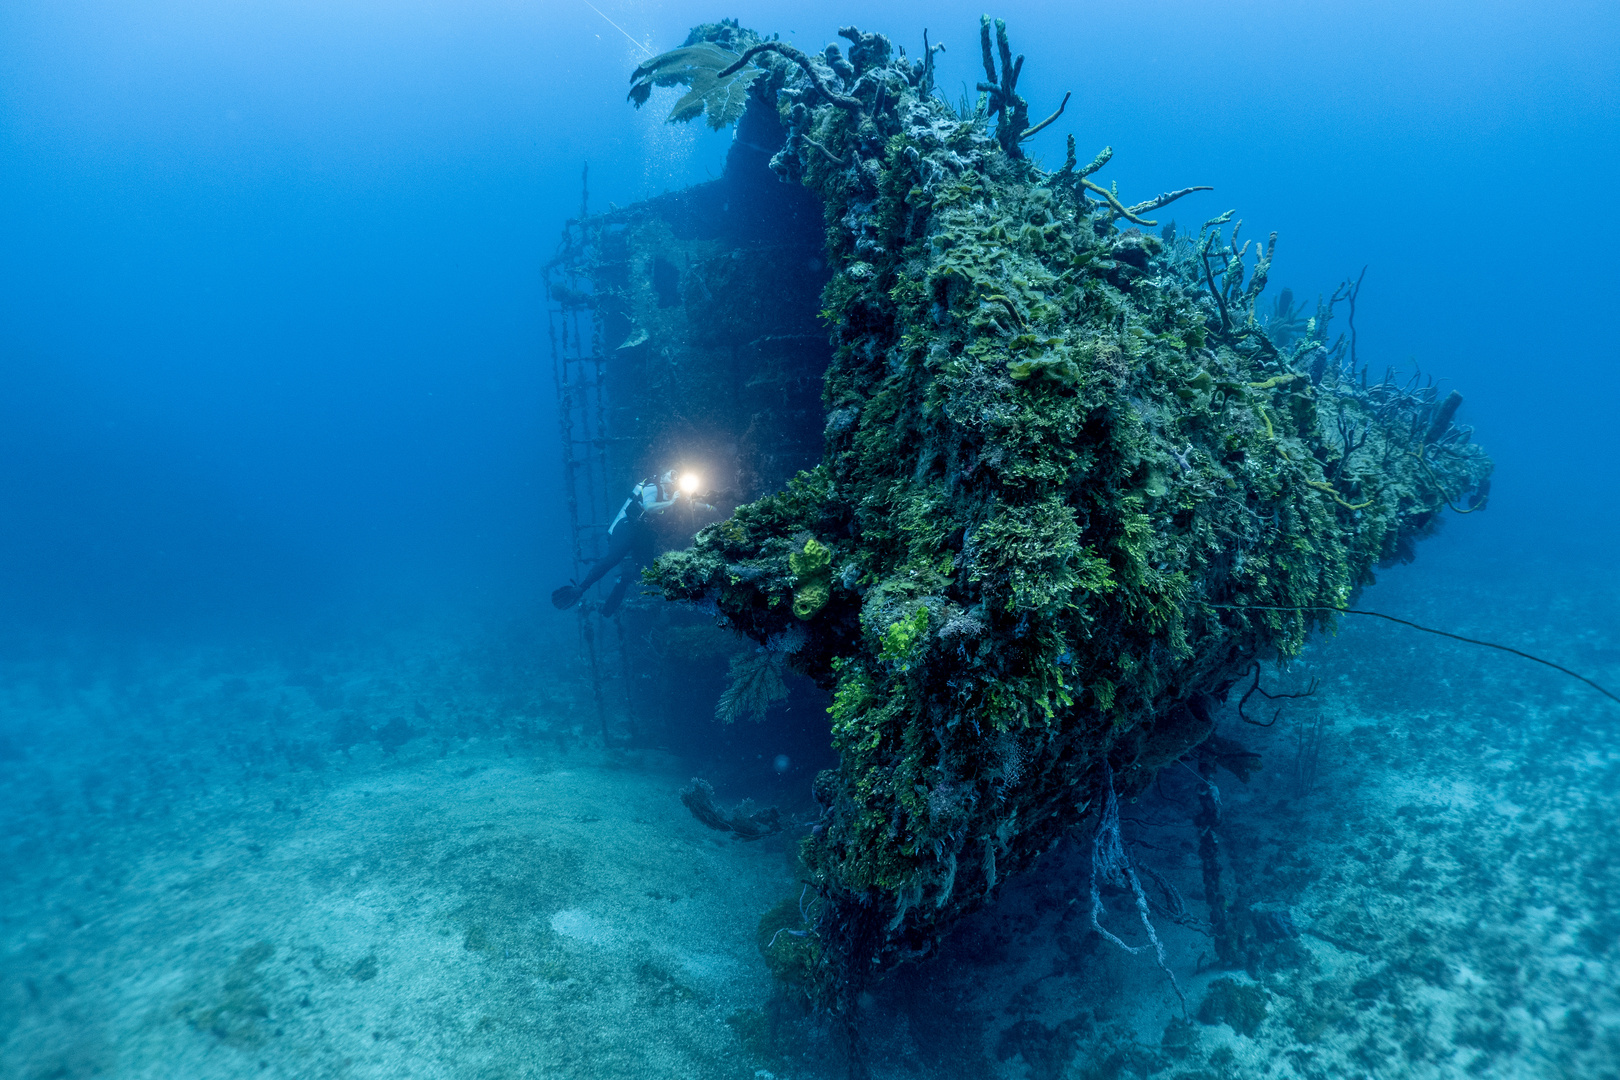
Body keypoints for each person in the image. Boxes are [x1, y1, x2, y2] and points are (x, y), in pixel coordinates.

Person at [551, 469, 711, 616]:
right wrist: (671, 503)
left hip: (643, 534)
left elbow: (690, 505)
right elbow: (648, 506)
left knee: (647, 569)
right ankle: (581, 588)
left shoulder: (673, 495)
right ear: (664, 476)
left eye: (677, 475)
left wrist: (711, 508)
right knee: (615, 557)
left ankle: (623, 581)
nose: (673, 477)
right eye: (671, 474)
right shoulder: (653, 486)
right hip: (628, 526)